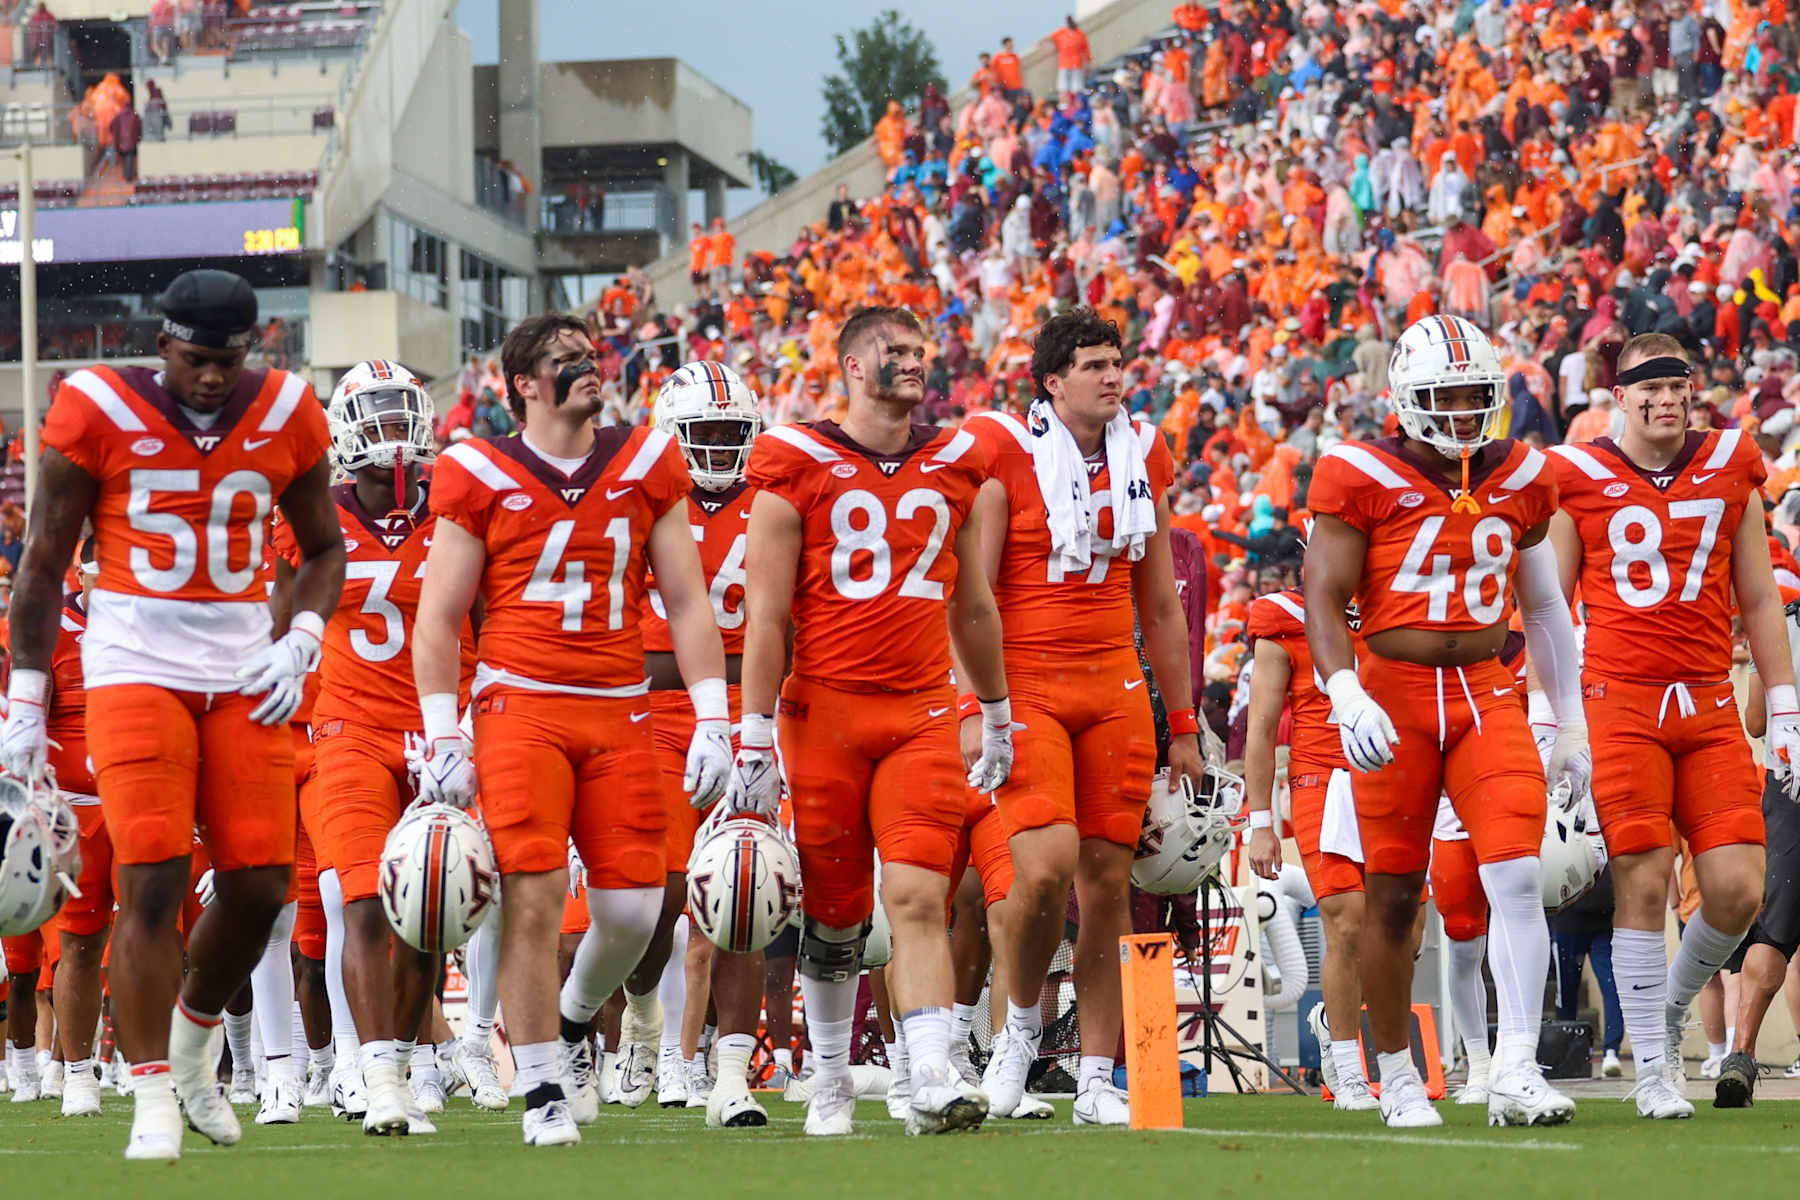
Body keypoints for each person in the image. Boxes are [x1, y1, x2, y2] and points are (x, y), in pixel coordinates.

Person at [0, 269, 345, 1160]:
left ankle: (192, 1051)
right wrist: (26, 706)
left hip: (241, 665)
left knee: (263, 884)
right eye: (195, 359)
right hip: (131, 662)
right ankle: (153, 1092)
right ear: (163, 345)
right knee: (149, 876)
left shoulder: (289, 410)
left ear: (251, 350)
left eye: (227, 360)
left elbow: (321, 549)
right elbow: (41, 566)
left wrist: (301, 637)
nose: (211, 378)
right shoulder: (95, 408)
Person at [412, 313, 733, 1147]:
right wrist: (444, 729)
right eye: (566, 363)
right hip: (520, 704)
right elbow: (442, 615)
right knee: (533, 895)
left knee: (634, 910)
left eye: (590, 358)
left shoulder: (644, 461)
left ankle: (569, 1019)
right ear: (523, 384)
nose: (589, 372)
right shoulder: (476, 468)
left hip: (621, 701)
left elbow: (689, 600)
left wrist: (711, 715)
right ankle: (545, 1089)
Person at [730, 305, 1013, 1136]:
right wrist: (753, 733)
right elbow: (769, 619)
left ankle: (927, 1068)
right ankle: (827, 1077)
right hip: (823, 714)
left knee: (922, 894)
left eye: (920, 351)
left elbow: (972, 606)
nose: (914, 363)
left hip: (922, 710)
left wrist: (993, 711)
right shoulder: (794, 460)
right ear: (853, 366)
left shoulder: (958, 458)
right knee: (836, 909)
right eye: (895, 351)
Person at [1304, 314, 1588, 1130]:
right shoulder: (1359, 472)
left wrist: (1568, 721)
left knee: (1517, 876)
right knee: (1392, 900)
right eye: (1446, 397)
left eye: (1476, 396)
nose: (1464, 413)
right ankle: (1396, 1072)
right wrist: (1345, 691)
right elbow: (1324, 596)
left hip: (1482, 689)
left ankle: (1516, 1067)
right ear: (1405, 397)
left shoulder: (1525, 473)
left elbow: (1542, 606)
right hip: (1392, 692)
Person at [1547, 332, 1800, 1119]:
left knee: (1736, 891)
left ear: (1693, 392)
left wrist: (1785, 705)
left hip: (1706, 700)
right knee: (1644, 881)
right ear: (1617, 397)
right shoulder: (1577, 473)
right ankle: (1656, 1071)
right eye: (1646, 387)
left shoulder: (1730, 463)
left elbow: (1759, 599)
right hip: (1620, 700)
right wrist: (1554, 718)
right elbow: (1550, 607)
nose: (1664, 399)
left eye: (1677, 386)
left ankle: (1667, 1009)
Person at [963, 308, 1201, 1126]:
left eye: (1117, 362)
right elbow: (975, 598)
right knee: (1045, 867)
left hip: (1114, 690)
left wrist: (1188, 724)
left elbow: (1162, 605)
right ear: (1052, 381)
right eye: (1094, 364)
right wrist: (977, 707)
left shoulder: (1144, 453)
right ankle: (1019, 1031)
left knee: (1109, 887)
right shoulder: (1004, 453)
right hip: (1026, 683)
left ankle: (1098, 1075)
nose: (1112, 375)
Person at [268, 360, 454, 1135]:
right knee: (361, 899)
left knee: (432, 912)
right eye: (374, 416)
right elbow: (280, 624)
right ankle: (370, 1070)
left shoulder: (454, 510)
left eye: (401, 412)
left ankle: (407, 1059)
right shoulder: (313, 519)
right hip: (347, 729)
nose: (391, 432)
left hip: (437, 728)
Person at [611, 360, 771, 1129]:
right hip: (657, 715)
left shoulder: (774, 501)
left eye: (727, 435)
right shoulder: (644, 504)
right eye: (699, 435)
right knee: (658, 898)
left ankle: (725, 1070)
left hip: (748, 712)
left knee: (747, 892)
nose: (713, 449)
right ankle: (647, 1020)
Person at [1244, 583, 1379, 1111]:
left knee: (1401, 934)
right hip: (1326, 779)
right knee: (1346, 920)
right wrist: (1260, 821)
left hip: (1398, 776)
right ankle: (1347, 1065)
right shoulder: (1284, 616)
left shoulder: (1398, 597)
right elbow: (1260, 726)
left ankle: (1333, 1018)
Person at [1717, 624, 1800, 1107]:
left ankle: (1739, 1055)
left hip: (1790, 792)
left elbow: (1754, 721)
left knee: (1773, 932)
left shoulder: (1783, 623)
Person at [46, 540, 111, 1119]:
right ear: (81, 577)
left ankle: (153, 1066)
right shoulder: (54, 630)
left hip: (142, 795)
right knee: (80, 944)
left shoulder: (149, 622)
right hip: (75, 807)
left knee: (158, 933)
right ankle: (77, 1069)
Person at [1051, 16, 1091, 97]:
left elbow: (1086, 50)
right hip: (1066, 64)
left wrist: (1088, 63)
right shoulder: (1063, 32)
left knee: (1074, 87)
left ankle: (1074, 103)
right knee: (1064, 87)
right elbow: (1052, 37)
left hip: (1075, 64)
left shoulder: (1079, 34)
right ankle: (1066, 104)